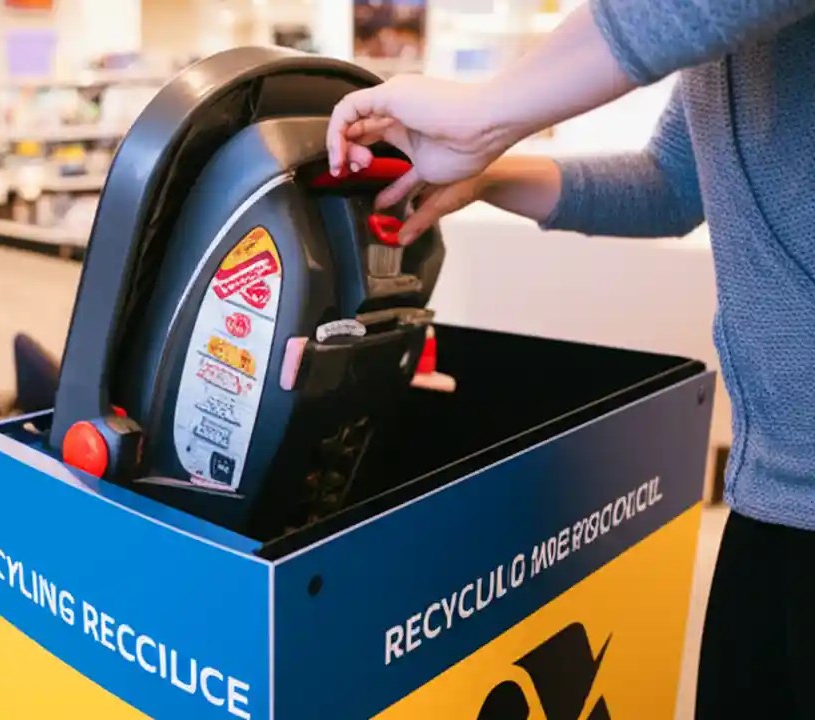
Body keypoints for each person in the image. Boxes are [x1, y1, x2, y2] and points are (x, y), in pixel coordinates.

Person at [325, 1, 815, 718]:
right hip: (775, 481)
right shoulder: (731, 57)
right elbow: (671, 184)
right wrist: (487, 174)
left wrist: (484, 113)